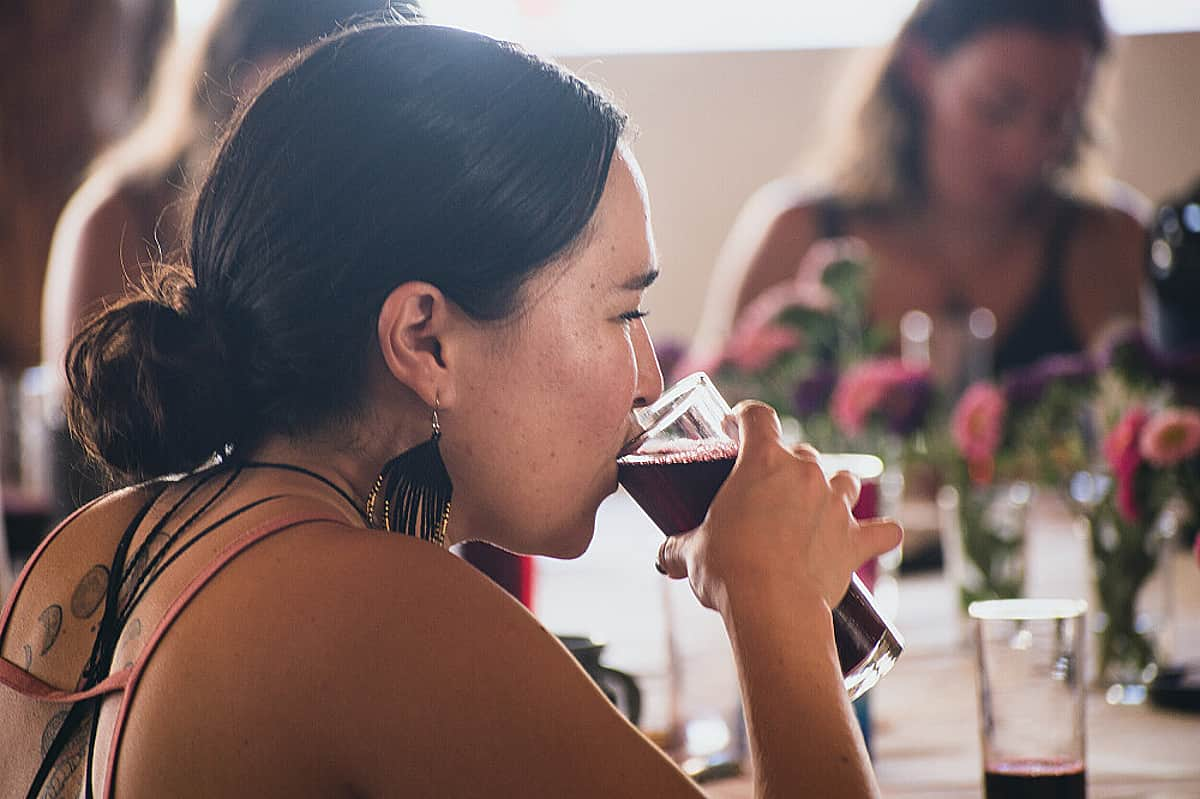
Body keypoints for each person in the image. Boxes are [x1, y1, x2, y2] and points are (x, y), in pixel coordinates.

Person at [1, 21, 901, 798]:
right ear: (425, 341)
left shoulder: (87, 547)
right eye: (624, 310)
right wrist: (776, 602)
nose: (645, 379)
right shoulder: (386, 611)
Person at [38, 0, 418, 519]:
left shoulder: (380, 244)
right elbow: (84, 468)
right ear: (224, 84)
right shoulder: (119, 220)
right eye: (274, 109)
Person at [694, 0, 1147, 379]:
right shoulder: (795, 236)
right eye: (997, 108)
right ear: (918, 67)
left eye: (1058, 119)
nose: (1025, 151)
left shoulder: (1112, 244)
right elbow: (704, 437)